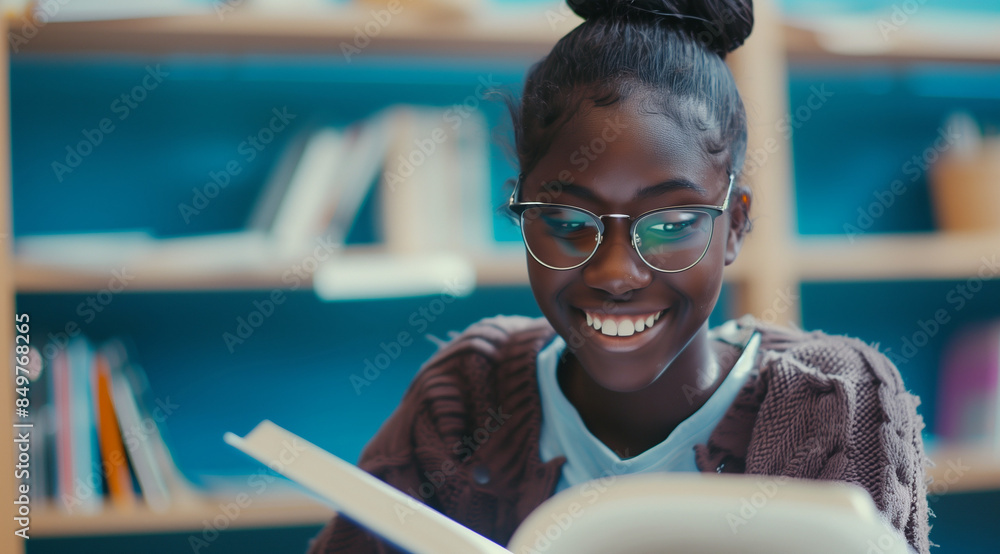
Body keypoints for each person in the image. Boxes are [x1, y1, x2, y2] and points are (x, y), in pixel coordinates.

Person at [308, 1, 930, 552]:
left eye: (669, 223)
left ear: (735, 226)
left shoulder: (837, 404)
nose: (614, 273)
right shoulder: (466, 396)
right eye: (567, 221)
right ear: (521, 218)